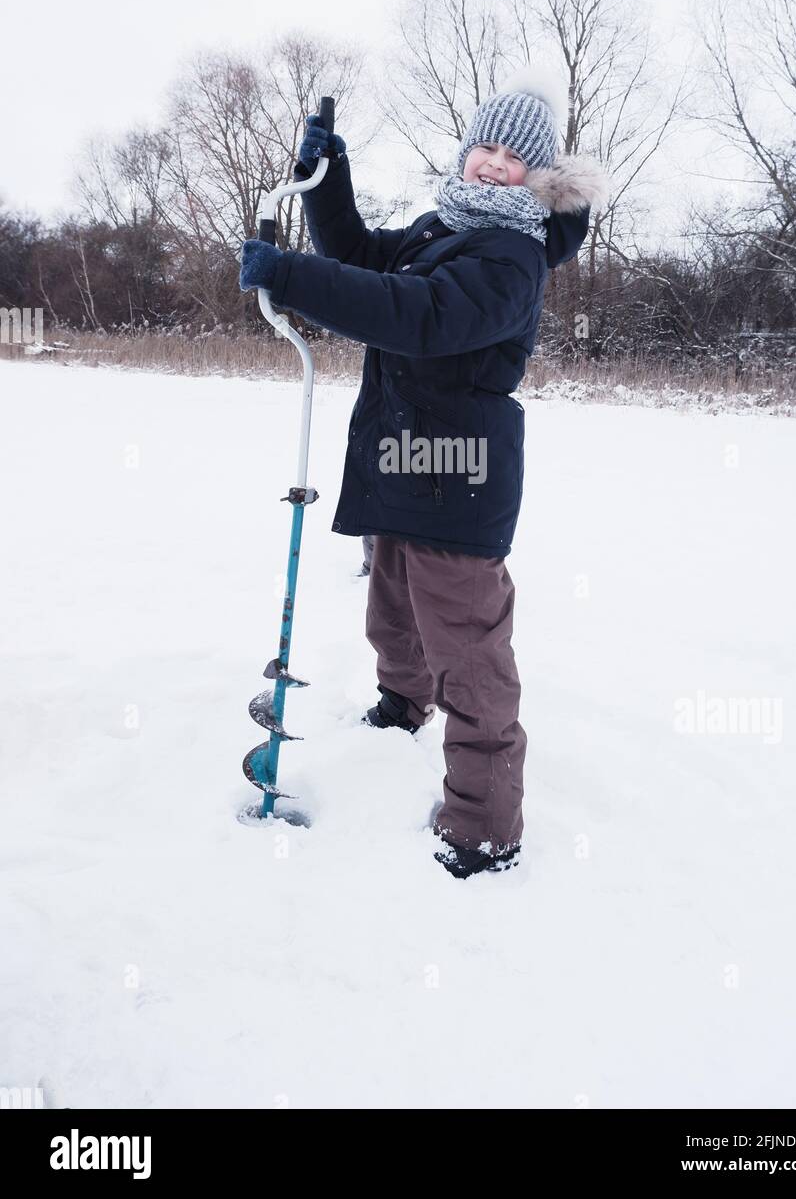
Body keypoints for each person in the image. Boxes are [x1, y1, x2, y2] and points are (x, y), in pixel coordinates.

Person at [239, 69, 608, 878]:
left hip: (458, 477)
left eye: (514, 158)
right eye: (485, 146)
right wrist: (328, 181)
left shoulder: (513, 253)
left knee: (468, 655)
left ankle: (483, 828)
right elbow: (365, 257)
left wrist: (290, 277)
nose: (492, 164)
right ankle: (403, 704)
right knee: (395, 607)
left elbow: (420, 317)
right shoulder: (444, 227)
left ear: (536, 178)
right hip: (403, 464)